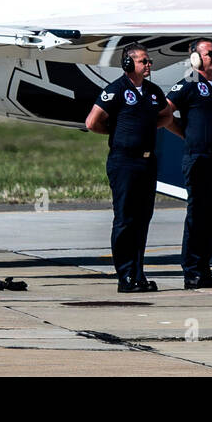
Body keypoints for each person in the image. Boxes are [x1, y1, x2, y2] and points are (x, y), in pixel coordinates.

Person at [84, 44, 171, 293]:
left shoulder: (153, 92)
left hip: (147, 161)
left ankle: (138, 274)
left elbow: (166, 115)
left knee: (143, 219)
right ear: (128, 64)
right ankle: (125, 277)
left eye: (148, 61)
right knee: (125, 219)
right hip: (125, 162)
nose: (148, 65)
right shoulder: (116, 90)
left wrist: (147, 128)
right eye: (143, 61)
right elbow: (92, 122)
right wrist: (117, 132)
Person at [165, 38, 212, 289]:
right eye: (209, 54)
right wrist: (185, 133)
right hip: (198, 158)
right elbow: (165, 113)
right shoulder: (187, 84)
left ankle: (204, 268)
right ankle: (191, 270)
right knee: (198, 215)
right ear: (195, 58)